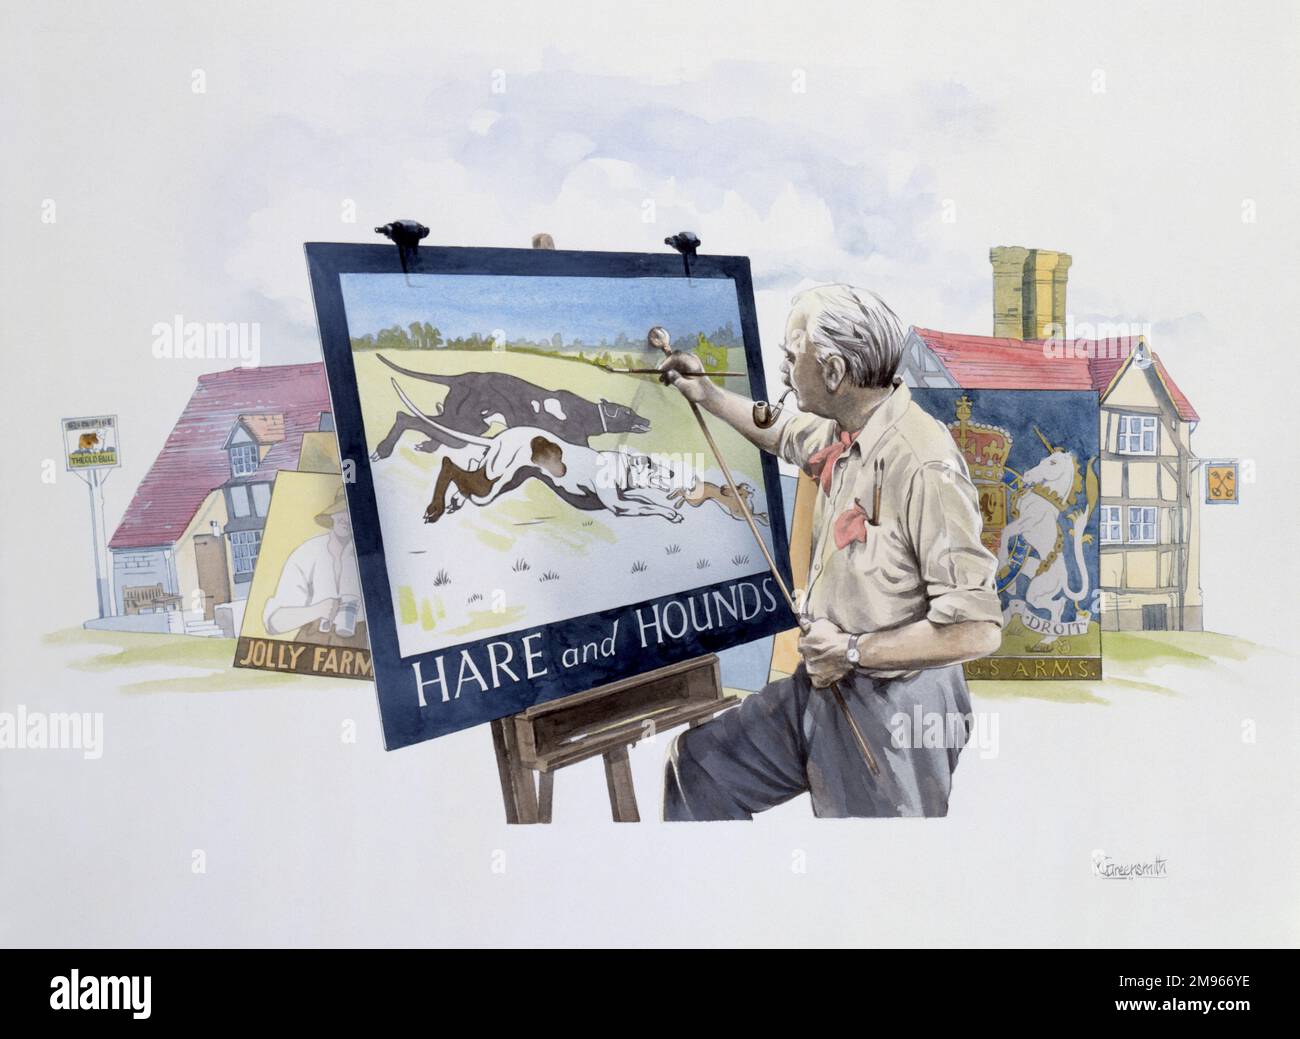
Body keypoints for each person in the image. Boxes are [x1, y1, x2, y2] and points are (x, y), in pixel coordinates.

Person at [658, 284, 1002, 819]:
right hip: (822, 682)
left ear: (836, 371)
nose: (786, 370)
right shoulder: (845, 427)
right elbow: (780, 430)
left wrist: (854, 651)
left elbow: (977, 629)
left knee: (865, 869)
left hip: (895, 708)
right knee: (700, 763)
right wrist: (706, 393)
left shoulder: (924, 464)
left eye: (793, 357)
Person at [263, 488, 367, 646]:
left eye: (352, 512)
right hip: (313, 643)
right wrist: (317, 610)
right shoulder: (307, 553)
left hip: (359, 644)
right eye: (341, 511)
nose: (346, 518)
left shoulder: (370, 554)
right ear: (332, 514)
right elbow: (274, 622)